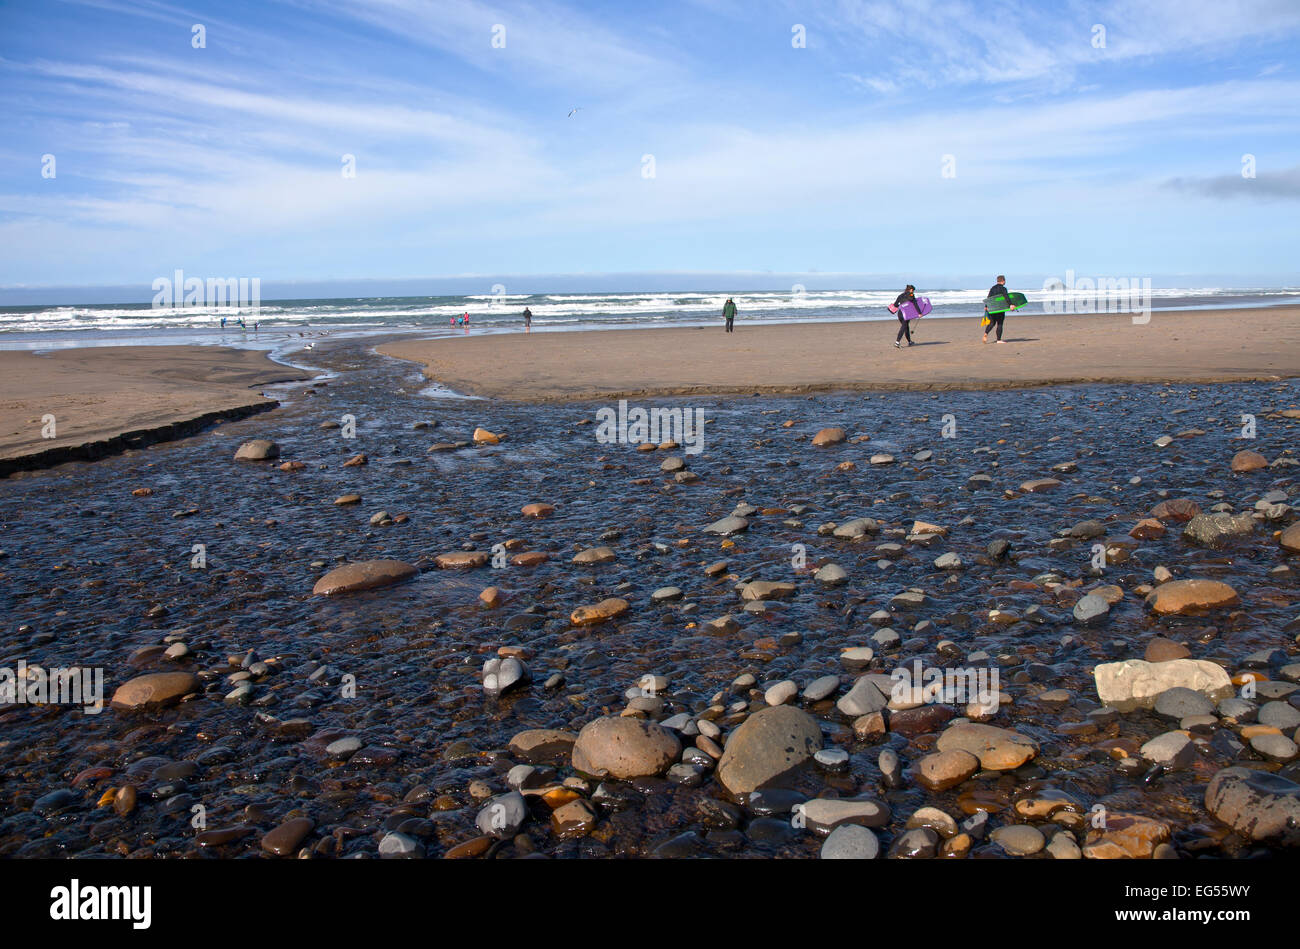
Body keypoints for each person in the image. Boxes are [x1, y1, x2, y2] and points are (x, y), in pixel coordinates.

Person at [983, 275, 1013, 344]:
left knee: (992, 323)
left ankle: (986, 333)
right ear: (1003, 281)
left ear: (997, 281)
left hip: (992, 308)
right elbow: (1006, 297)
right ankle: (998, 340)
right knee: (999, 324)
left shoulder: (992, 288)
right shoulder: (1003, 288)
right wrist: (1010, 305)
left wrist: (986, 306)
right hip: (1000, 308)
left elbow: (989, 298)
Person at [893, 284, 920, 348]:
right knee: (903, 328)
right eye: (913, 290)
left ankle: (910, 342)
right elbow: (915, 304)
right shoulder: (911, 295)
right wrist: (919, 313)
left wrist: (901, 304)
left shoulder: (900, 295)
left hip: (900, 313)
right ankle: (897, 342)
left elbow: (895, 304)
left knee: (906, 327)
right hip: (906, 314)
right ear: (911, 290)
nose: (913, 292)